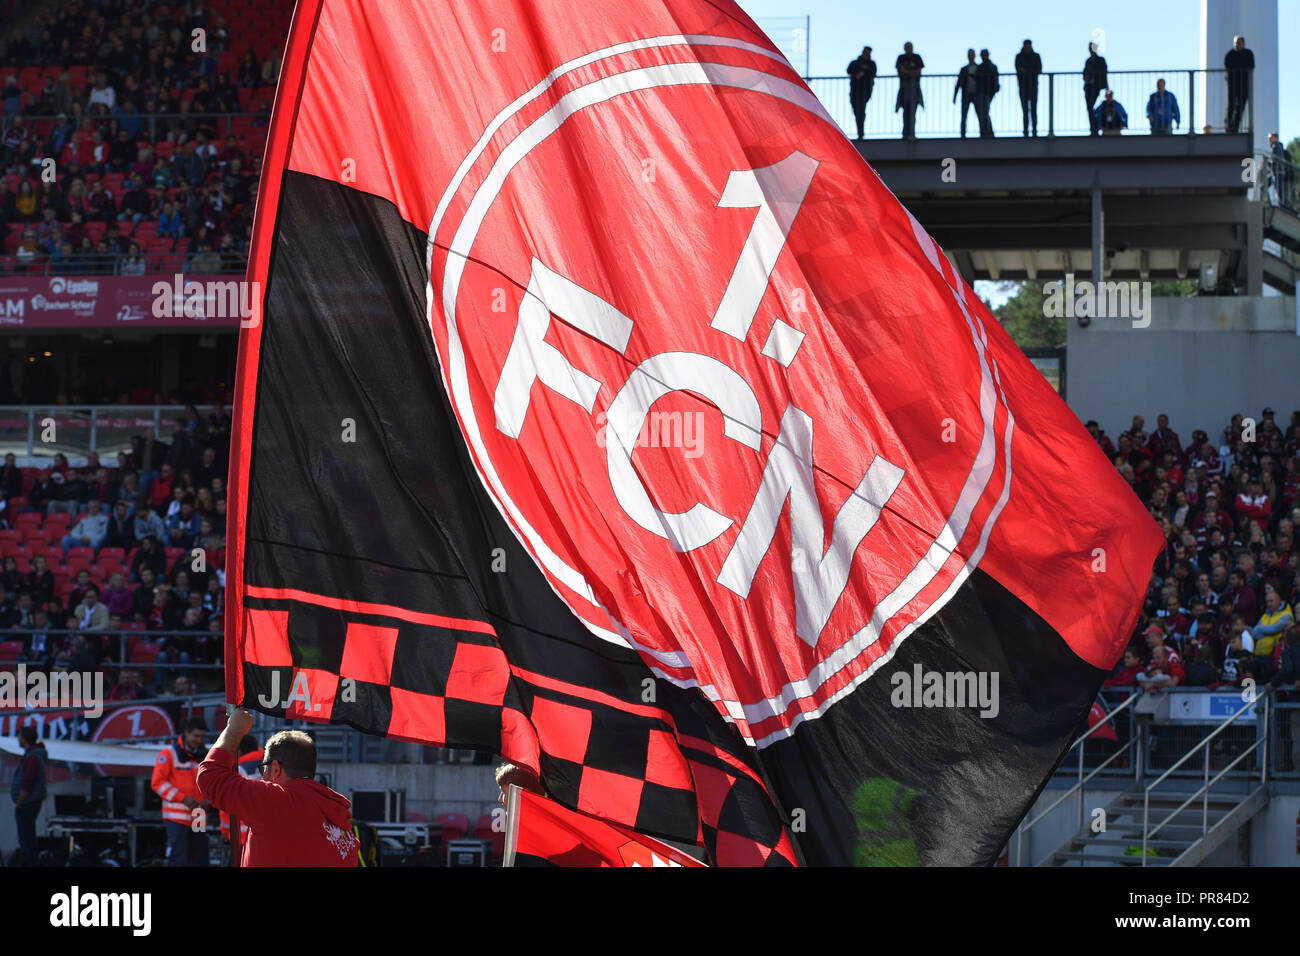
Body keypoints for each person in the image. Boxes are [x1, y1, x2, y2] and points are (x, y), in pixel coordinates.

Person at [197, 708, 359, 866]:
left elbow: (210, 777)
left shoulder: (277, 801)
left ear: (275, 768)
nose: (262, 776)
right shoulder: (339, 817)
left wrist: (234, 729)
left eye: (264, 768)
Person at [152, 717, 211, 866]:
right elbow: (157, 783)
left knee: (199, 861)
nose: (199, 740)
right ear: (186, 733)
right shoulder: (169, 754)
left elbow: (210, 783)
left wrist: (209, 799)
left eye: (202, 737)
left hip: (199, 815)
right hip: (177, 817)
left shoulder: (205, 755)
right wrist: (183, 798)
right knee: (179, 860)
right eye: (196, 736)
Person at [11, 725, 47, 866]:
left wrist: (20, 801)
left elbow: (27, 783)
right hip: (29, 804)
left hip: (27, 804)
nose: (18, 739)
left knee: (27, 841)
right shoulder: (32, 755)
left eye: (20, 736)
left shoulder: (33, 757)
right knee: (27, 840)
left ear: (24, 739)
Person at [1223, 35, 1254, 134]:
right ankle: (1228, 126)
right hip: (1233, 84)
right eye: (1236, 42)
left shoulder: (1248, 54)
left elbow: (1251, 66)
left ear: (1244, 44)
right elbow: (1227, 66)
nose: (1238, 44)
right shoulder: (1230, 54)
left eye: (1239, 42)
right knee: (1231, 105)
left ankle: (1234, 126)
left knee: (1240, 106)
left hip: (1244, 85)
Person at [895, 42, 924, 140]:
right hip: (904, 88)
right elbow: (900, 70)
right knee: (905, 111)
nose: (909, 49)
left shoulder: (917, 58)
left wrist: (907, 72)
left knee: (913, 112)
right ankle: (905, 133)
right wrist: (910, 73)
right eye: (907, 47)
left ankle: (912, 132)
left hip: (914, 88)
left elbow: (918, 71)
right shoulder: (901, 58)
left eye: (910, 47)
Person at [847, 46, 876, 140]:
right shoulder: (855, 63)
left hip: (865, 91)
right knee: (857, 111)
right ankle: (860, 131)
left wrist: (863, 72)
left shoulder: (871, 64)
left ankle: (861, 132)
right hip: (855, 91)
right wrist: (857, 74)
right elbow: (849, 70)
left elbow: (873, 73)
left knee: (861, 111)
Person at [1014, 39, 1041, 137]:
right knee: (1025, 110)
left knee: (1033, 109)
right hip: (1023, 86)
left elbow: (1038, 69)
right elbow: (1018, 68)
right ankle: (1025, 131)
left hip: (1033, 86)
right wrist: (1028, 70)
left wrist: (1026, 70)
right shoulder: (1019, 56)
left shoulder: (1036, 56)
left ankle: (1034, 131)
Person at [1083, 42, 1108, 136]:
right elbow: (1085, 73)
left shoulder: (1100, 60)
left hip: (1096, 87)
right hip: (1088, 87)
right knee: (1089, 108)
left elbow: (1103, 71)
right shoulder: (1088, 61)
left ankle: (1095, 128)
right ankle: (1093, 129)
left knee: (1093, 107)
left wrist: (1094, 77)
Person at [953, 50, 979, 139]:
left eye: (972, 55)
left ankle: (983, 133)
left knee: (980, 114)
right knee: (964, 115)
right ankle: (963, 134)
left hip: (976, 94)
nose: (971, 56)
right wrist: (955, 96)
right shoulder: (964, 69)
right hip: (966, 94)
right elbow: (958, 82)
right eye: (969, 55)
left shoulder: (979, 68)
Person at [974, 49, 999, 139]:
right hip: (982, 92)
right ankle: (985, 132)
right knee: (983, 113)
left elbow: (995, 80)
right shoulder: (981, 67)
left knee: (984, 113)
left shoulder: (990, 67)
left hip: (986, 92)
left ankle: (987, 133)